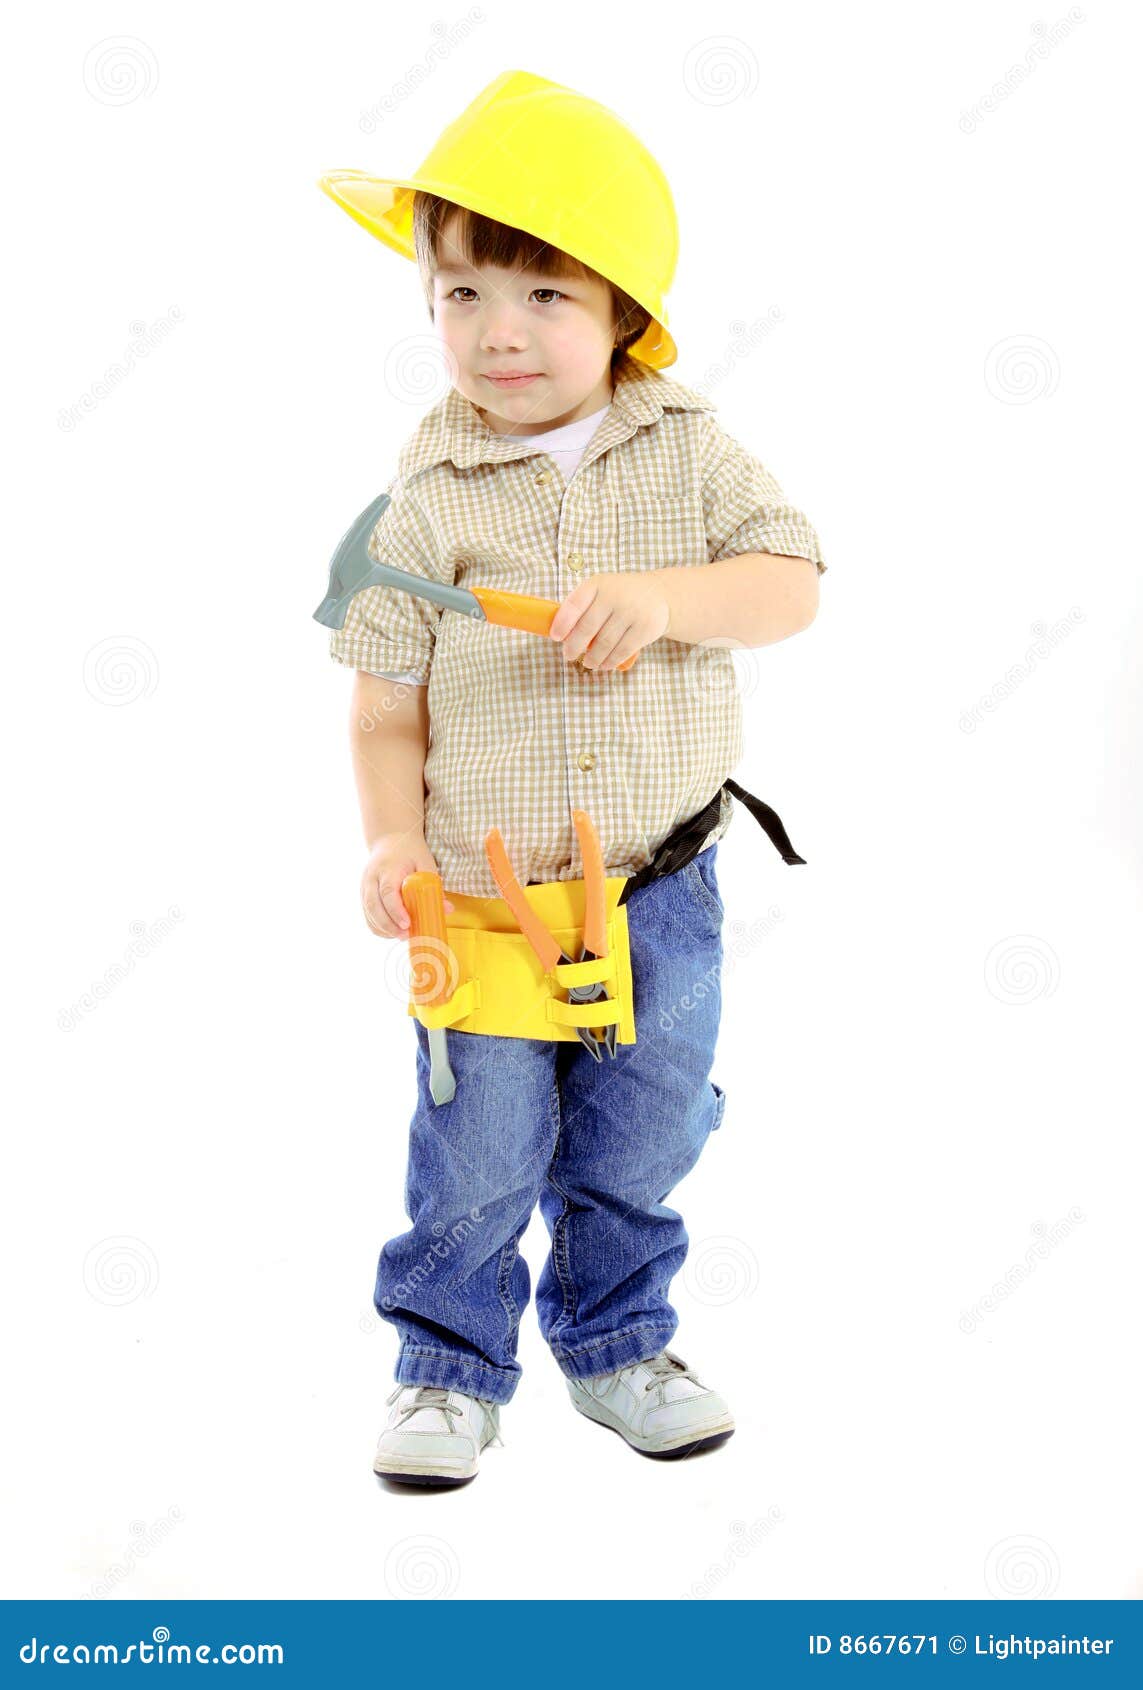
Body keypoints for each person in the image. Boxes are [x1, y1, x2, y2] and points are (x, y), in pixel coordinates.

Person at [318, 70, 828, 1487]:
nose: (497, 331)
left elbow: (790, 587)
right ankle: (443, 1364)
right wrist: (384, 844)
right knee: (475, 1140)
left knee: (646, 1122)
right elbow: (383, 707)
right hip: (479, 903)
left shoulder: (694, 451)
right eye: (463, 293)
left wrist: (668, 599)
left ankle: (617, 1341)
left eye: (544, 296)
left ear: (623, 313)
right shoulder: (421, 502)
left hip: (657, 886)